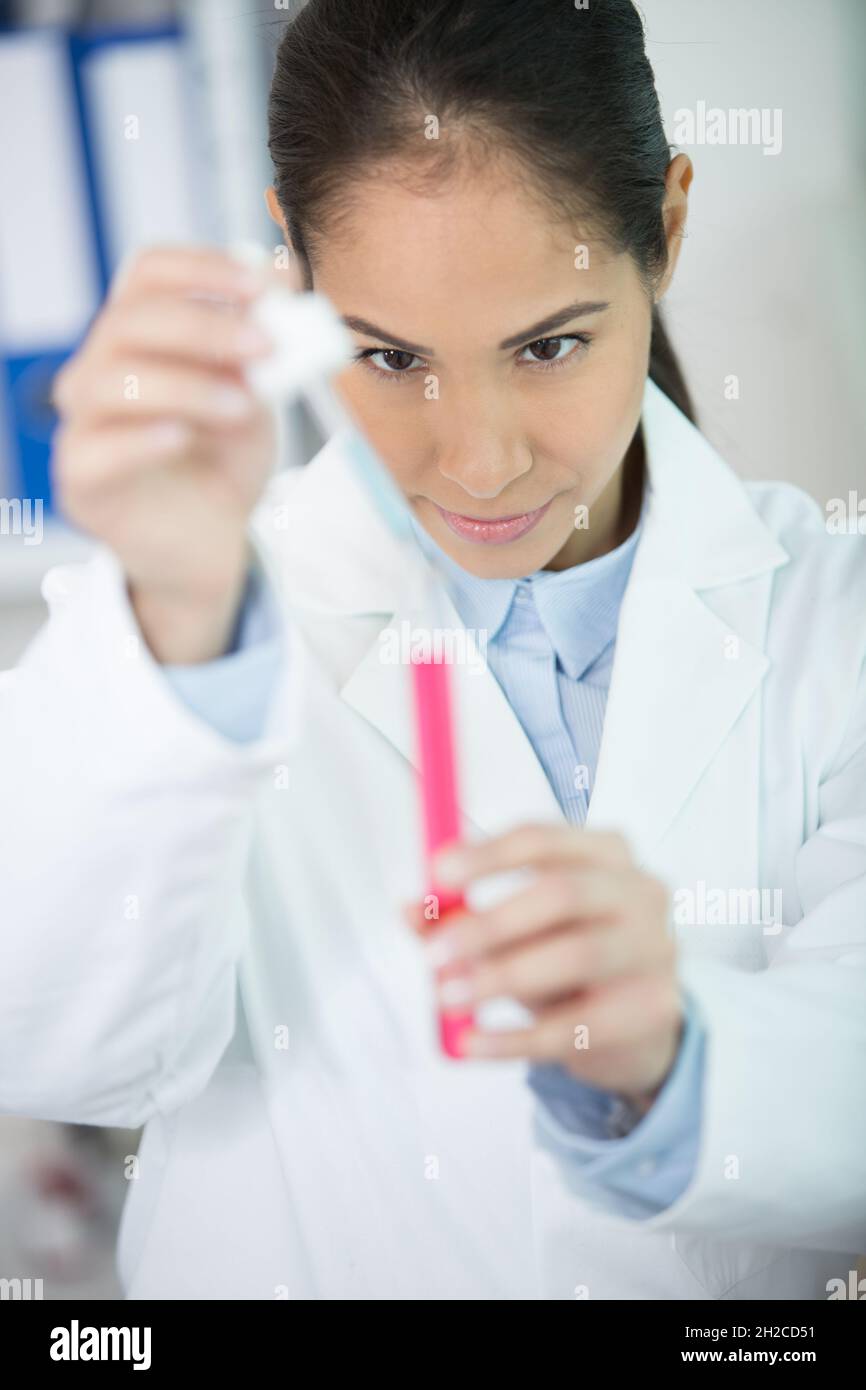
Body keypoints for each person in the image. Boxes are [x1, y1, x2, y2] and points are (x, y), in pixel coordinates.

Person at [1, 0, 864, 1300]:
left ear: (666, 229)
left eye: (550, 344)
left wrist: (675, 1057)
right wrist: (174, 632)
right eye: (389, 356)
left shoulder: (830, 614)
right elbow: (52, 1047)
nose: (477, 461)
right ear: (290, 262)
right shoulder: (199, 619)